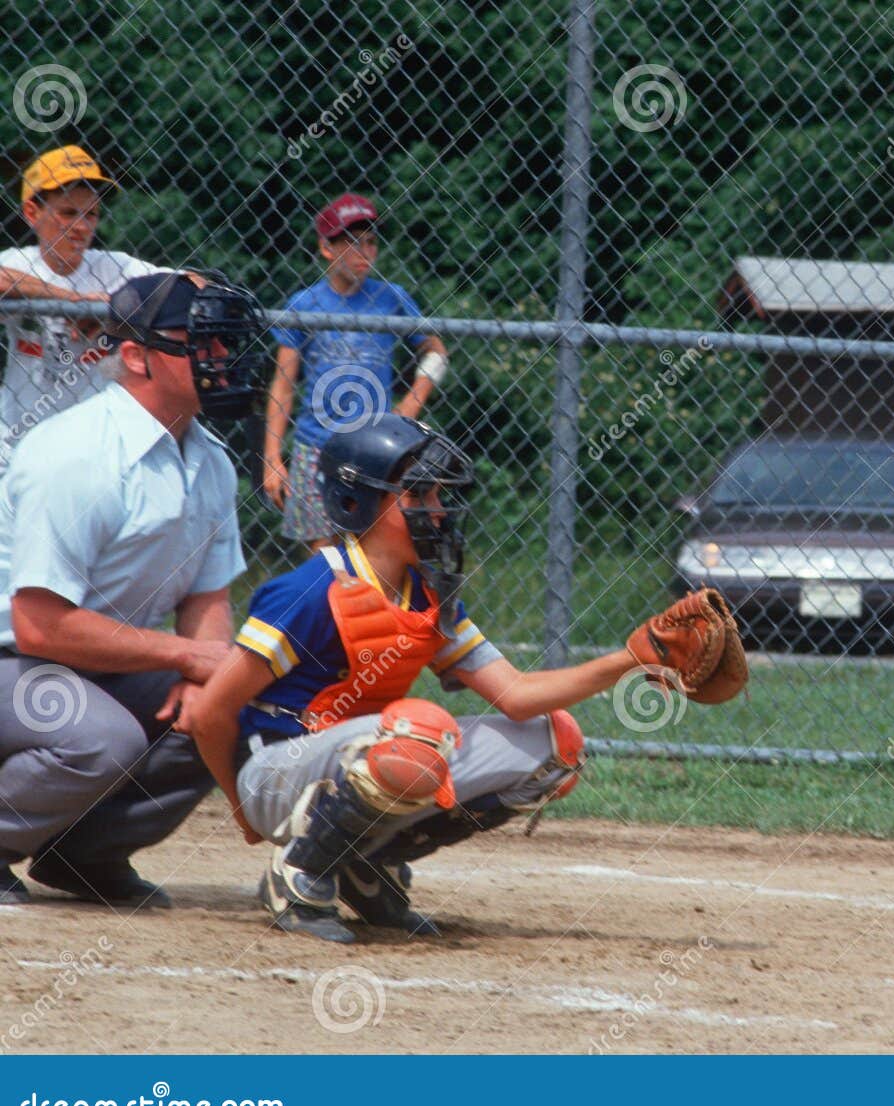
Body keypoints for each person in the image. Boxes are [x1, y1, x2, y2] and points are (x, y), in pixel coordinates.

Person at [181, 414, 745, 944]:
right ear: (360, 501)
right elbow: (210, 713)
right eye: (417, 495)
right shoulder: (308, 591)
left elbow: (518, 696)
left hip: (356, 760)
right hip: (274, 773)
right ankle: (300, 874)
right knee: (419, 731)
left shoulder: (429, 597)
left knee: (553, 744)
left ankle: (362, 863)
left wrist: (632, 657)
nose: (438, 510)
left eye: (438, 495)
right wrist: (242, 811)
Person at [0, 271, 268, 908]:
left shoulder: (210, 461)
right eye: (198, 342)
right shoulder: (76, 454)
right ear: (134, 355)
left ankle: (84, 859)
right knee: (101, 739)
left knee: (229, 705)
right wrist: (179, 657)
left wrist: (207, 674)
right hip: (15, 660)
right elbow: (40, 626)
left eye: (224, 343)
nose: (219, 358)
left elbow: (206, 601)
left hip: (98, 665)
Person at [263, 193, 448, 549]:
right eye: (351, 242)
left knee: (374, 555)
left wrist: (411, 404)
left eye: (370, 242)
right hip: (316, 445)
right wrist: (272, 457)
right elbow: (283, 385)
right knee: (325, 566)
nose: (364, 252)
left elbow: (436, 351)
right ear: (327, 248)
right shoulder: (304, 304)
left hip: (376, 450)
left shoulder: (391, 298)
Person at [0, 146, 180, 465]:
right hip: (16, 442)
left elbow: (194, 285)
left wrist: (117, 309)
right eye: (68, 213)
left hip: (92, 450)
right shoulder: (17, 262)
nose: (82, 227)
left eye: (91, 214)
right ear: (32, 212)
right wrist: (71, 301)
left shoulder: (114, 268)